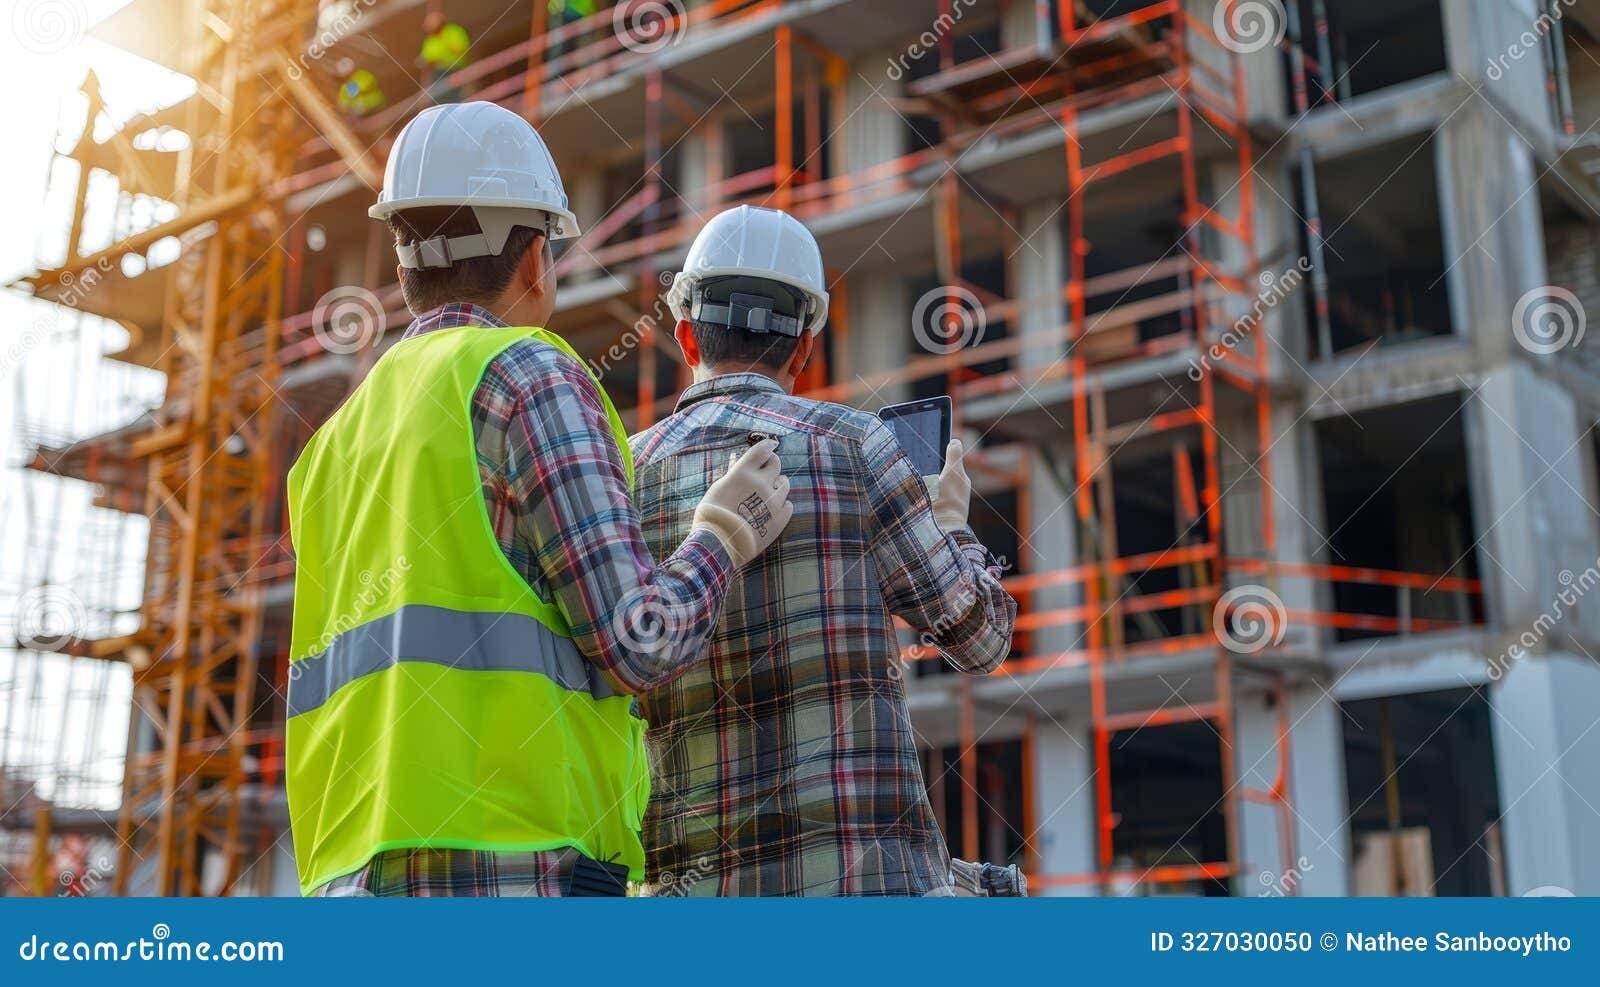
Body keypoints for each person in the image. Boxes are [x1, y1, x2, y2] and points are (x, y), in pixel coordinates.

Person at [284, 104, 793, 897]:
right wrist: (724, 533)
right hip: (516, 869)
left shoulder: (330, 444)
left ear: (403, 261)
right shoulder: (530, 375)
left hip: (346, 881)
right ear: (533, 256)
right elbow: (640, 642)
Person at [629, 205, 1018, 896]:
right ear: (805, 346)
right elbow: (980, 639)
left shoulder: (624, 474)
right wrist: (952, 522)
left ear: (686, 335)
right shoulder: (859, 445)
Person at [418, 11, 472, 101]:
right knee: (439, 97)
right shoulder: (429, 40)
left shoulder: (453, 31)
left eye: (430, 23)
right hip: (438, 73)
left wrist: (441, 56)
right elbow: (425, 60)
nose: (426, 26)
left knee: (456, 97)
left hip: (455, 69)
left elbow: (460, 49)